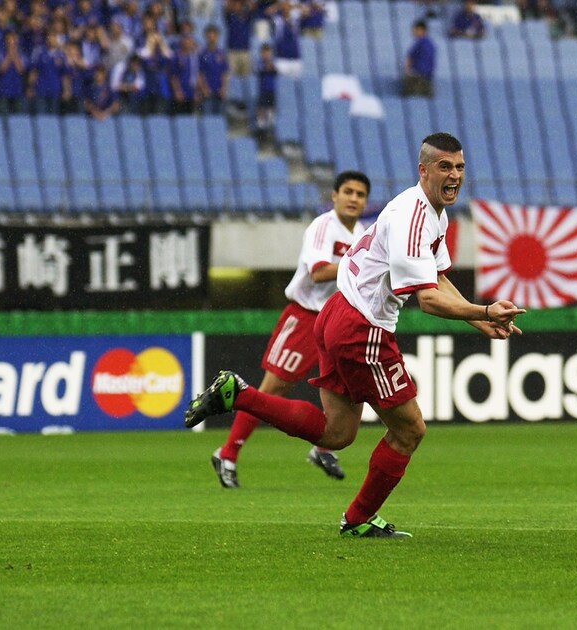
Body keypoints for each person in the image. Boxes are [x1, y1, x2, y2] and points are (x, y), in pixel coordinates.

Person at [185, 133, 525, 538]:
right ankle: (359, 517)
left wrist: (475, 317)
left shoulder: (432, 212)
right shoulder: (411, 217)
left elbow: (435, 275)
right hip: (361, 329)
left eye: (460, 168)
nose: (455, 176)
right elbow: (429, 301)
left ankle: (237, 394)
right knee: (410, 430)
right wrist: (484, 310)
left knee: (337, 433)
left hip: (335, 314)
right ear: (423, 169)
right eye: (444, 167)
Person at [209, 171, 371, 489]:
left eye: (360, 194)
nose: (354, 198)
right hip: (306, 317)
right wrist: (363, 264)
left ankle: (324, 447)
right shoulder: (323, 226)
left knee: (345, 389)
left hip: (337, 322)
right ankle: (226, 454)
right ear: (334, 196)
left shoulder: (361, 233)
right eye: (348, 192)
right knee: (271, 391)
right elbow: (319, 272)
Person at [196, 23, 228, 114]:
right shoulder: (202, 54)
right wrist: (204, 88)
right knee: (208, 119)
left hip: (219, 92)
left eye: (214, 36)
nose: (212, 38)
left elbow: (224, 73)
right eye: (209, 36)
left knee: (220, 119)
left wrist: (223, 88)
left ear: (217, 37)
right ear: (206, 37)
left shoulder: (221, 54)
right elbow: (199, 73)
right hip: (207, 93)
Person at [402, 19, 435, 97]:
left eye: (416, 29)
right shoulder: (426, 43)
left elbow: (413, 59)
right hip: (425, 76)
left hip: (419, 76)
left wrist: (411, 70)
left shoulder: (423, 44)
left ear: (422, 30)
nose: (413, 31)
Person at [254, 42, 276, 131]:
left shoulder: (273, 63)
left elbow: (275, 70)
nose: (266, 55)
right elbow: (259, 69)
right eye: (264, 53)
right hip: (263, 89)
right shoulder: (259, 63)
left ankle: (271, 123)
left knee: (271, 106)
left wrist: (270, 68)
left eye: (268, 53)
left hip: (272, 89)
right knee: (261, 106)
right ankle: (260, 123)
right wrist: (267, 68)